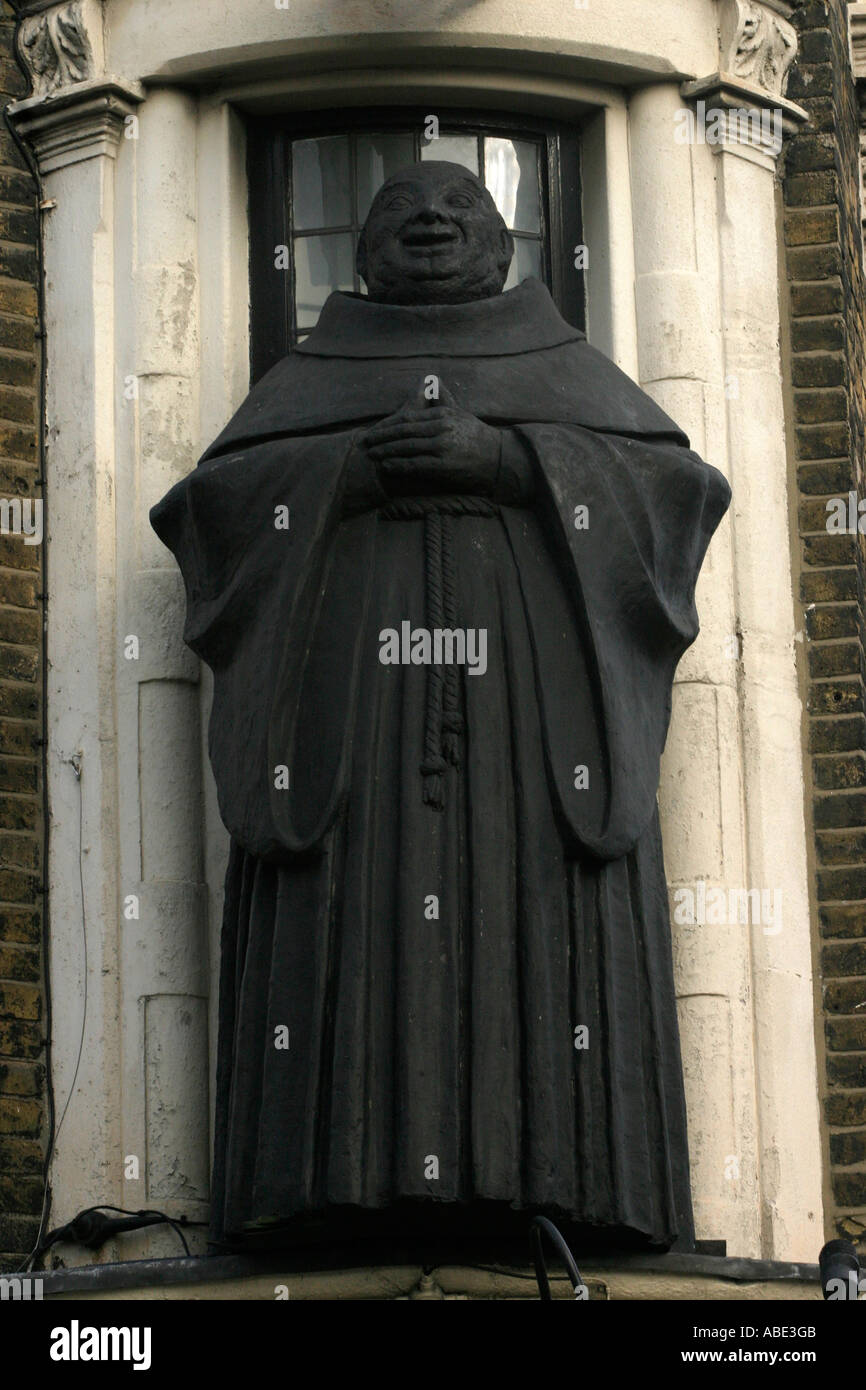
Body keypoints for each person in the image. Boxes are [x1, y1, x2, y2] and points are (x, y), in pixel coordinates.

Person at [151, 161, 731, 1254]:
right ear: (362, 252)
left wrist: (518, 461)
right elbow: (211, 517)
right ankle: (327, 1185)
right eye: (400, 205)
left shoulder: (570, 373)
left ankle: (569, 1182)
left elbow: (676, 498)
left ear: (502, 242)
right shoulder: (305, 382)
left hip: (532, 727)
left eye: (459, 203)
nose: (429, 216)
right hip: (350, 729)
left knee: (540, 918)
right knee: (355, 917)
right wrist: (344, 481)